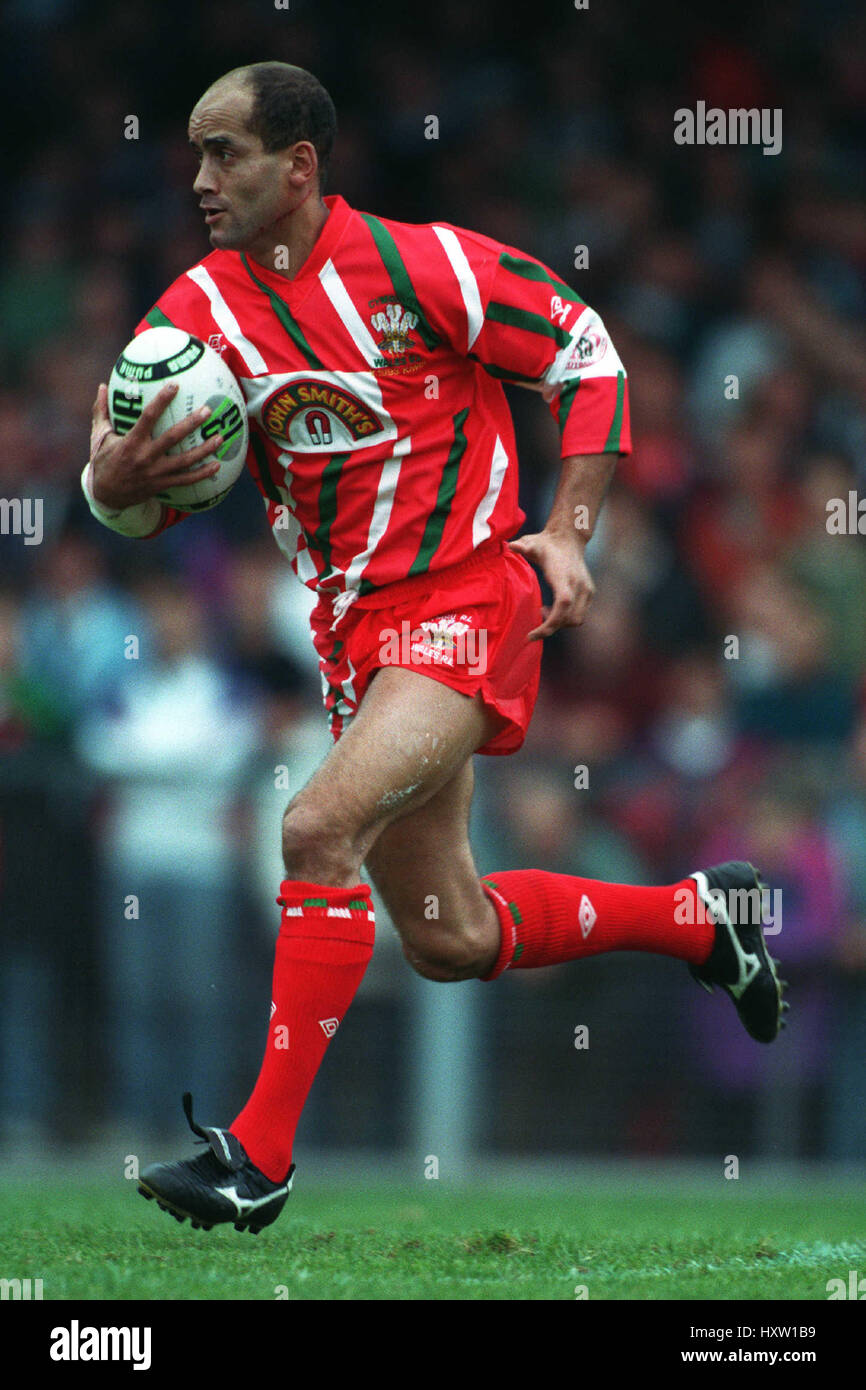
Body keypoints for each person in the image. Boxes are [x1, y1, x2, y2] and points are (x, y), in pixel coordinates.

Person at [83, 62, 787, 1233]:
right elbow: (114, 483)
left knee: (313, 828)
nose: (200, 178)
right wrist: (112, 478)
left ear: (298, 165)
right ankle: (703, 921)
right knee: (450, 938)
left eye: (224, 153)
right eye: (196, 155)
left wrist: (564, 534)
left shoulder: (420, 267)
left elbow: (586, 351)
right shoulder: (196, 313)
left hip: (466, 598)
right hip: (353, 637)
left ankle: (256, 1158)